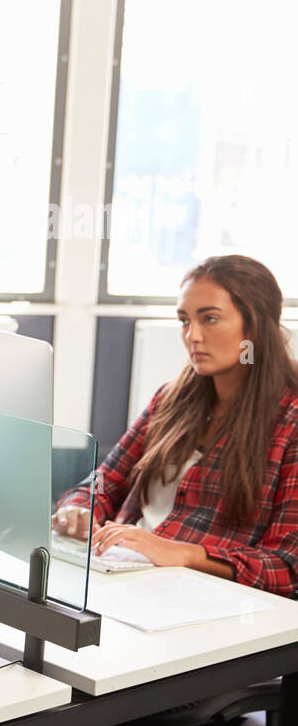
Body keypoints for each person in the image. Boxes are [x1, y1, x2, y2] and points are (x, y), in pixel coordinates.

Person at [54, 255, 298, 597]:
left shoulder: (290, 420)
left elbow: (288, 568)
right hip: (123, 573)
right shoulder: (169, 399)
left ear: (255, 327)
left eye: (209, 319)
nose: (192, 336)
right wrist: (79, 506)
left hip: (205, 597)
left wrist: (181, 553)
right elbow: (105, 481)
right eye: (184, 321)